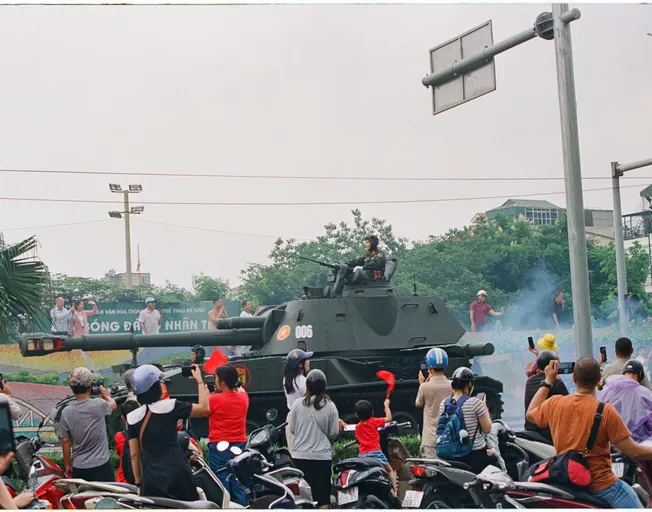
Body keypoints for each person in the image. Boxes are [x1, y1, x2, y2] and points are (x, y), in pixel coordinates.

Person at [526, 357, 652, 509]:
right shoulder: (606, 411)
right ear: (599, 378)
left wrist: (547, 381)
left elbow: (530, 413)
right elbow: (635, 452)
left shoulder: (555, 403)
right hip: (603, 486)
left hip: (569, 480)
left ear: (574, 378)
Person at [126, 364, 208, 501]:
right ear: (156, 387)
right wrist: (199, 381)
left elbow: (134, 454)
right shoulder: (171, 405)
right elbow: (204, 409)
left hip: (151, 475)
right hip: (176, 469)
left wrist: (139, 483)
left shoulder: (132, 417)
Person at [289, 369, 342, 509]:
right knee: (322, 498)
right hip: (321, 458)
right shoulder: (330, 406)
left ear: (307, 385)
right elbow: (333, 433)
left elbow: (292, 429)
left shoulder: (297, 404)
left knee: (302, 498)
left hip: (299, 456)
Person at [57, 367, 117, 481]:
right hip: (101, 466)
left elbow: (65, 440)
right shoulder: (99, 404)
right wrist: (107, 396)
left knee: (82, 498)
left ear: (72, 388)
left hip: (79, 468)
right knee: (107, 497)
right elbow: (113, 406)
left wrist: (68, 465)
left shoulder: (66, 412)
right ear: (90, 387)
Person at [437, 367, 496, 473]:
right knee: (494, 461)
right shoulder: (475, 403)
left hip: (449, 454)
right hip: (473, 455)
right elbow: (487, 429)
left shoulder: (444, 403)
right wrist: (484, 407)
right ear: (469, 384)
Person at [207, 364, 249, 506]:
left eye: (216, 378)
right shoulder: (244, 398)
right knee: (237, 482)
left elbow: (204, 409)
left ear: (222, 382)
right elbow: (240, 390)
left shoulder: (214, 400)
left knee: (221, 484)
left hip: (219, 448)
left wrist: (201, 384)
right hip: (239, 445)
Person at [598, 359, 652, 443]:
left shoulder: (606, 390)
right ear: (640, 374)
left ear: (623, 373)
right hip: (637, 443)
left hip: (609, 441)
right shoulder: (645, 394)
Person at [354, 399, 398, 497]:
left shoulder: (357, 427)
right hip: (376, 453)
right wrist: (386, 405)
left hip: (362, 456)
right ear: (372, 412)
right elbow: (389, 418)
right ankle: (395, 493)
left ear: (356, 414)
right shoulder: (373, 422)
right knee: (390, 470)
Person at [523, 351, 569, 441]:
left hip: (530, 432)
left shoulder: (530, 381)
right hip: (548, 435)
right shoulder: (556, 382)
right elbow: (568, 406)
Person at [415, 347, 452, 459]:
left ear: (429, 368)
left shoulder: (425, 387)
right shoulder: (453, 385)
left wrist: (422, 384)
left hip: (431, 440)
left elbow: (418, 404)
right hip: (448, 438)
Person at [283, 349, 313, 453]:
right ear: (300, 364)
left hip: (291, 418)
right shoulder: (303, 381)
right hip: (304, 418)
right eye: (306, 360)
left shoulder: (286, 379)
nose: (308, 362)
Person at [115, 400, 140, 484]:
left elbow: (119, 454)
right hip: (142, 479)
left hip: (123, 481)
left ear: (123, 417)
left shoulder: (119, 436)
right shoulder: (145, 434)